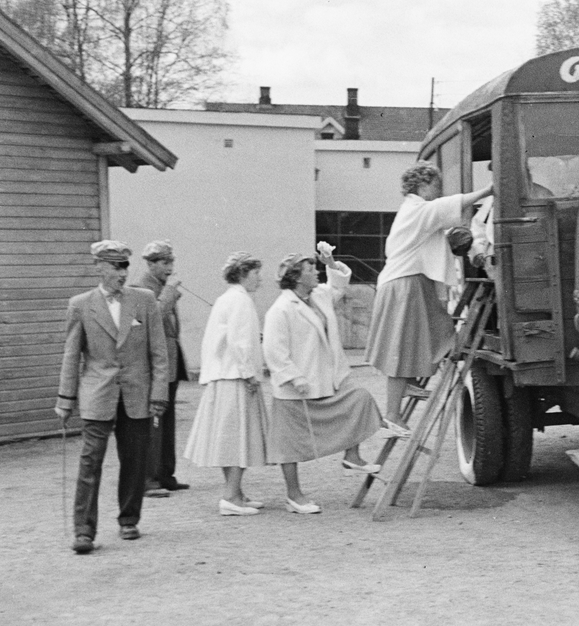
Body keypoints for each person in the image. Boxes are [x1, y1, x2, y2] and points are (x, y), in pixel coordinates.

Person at [55, 240, 169, 554]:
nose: (121, 273)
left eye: (125, 266)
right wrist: (66, 399)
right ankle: (83, 531)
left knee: (134, 462)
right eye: (115, 266)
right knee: (90, 463)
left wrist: (158, 394)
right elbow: (71, 356)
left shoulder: (144, 300)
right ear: (99, 267)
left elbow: (158, 353)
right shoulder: (81, 304)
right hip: (97, 396)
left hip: (137, 396)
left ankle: (129, 519)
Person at [364, 161, 493, 432]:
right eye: (435, 185)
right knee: (401, 348)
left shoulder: (414, 212)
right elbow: (451, 204)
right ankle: (392, 415)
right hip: (404, 284)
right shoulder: (418, 209)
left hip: (408, 282)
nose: (438, 190)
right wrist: (488, 190)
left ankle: (408, 384)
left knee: (428, 331)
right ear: (422, 186)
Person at [263, 245, 384, 514]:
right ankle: (294, 496)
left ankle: (352, 456)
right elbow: (274, 351)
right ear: (296, 277)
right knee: (289, 445)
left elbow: (339, 285)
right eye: (310, 269)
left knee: (359, 399)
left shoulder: (318, 295)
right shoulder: (281, 309)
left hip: (324, 380)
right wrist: (294, 378)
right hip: (296, 388)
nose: (316, 271)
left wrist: (330, 261)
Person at [183, 252, 269, 516]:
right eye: (255, 273)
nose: (259, 279)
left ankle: (236, 493)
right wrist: (250, 375)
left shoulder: (227, 298)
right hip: (235, 377)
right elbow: (239, 341)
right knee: (239, 438)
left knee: (231, 438)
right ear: (243, 274)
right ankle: (231, 496)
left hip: (224, 377)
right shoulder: (240, 300)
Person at [134, 240, 190, 497]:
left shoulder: (160, 286)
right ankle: (149, 478)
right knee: (153, 421)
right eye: (165, 262)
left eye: (171, 262)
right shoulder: (139, 288)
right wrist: (168, 294)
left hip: (170, 360)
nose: (170, 267)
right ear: (151, 263)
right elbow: (150, 322)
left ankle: (166, 474)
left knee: (167, 421)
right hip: (154, 364)